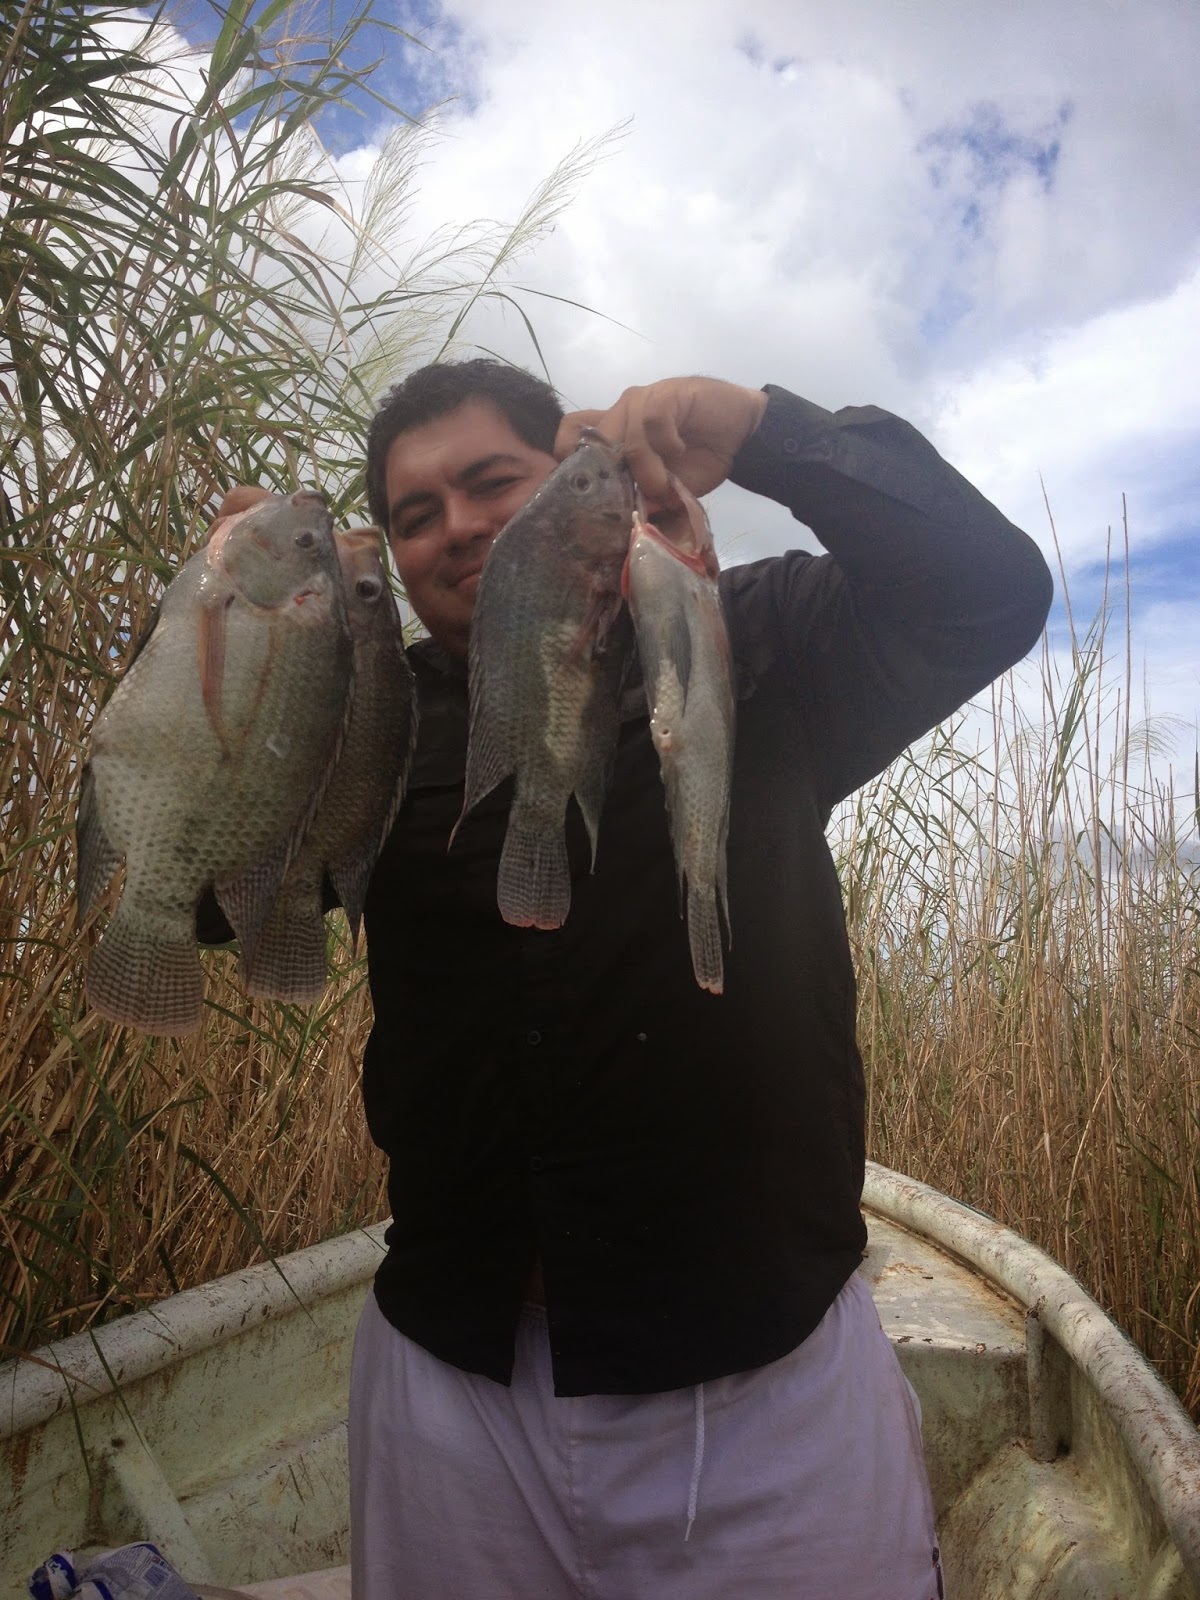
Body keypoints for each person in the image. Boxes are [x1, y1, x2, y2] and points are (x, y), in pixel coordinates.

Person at [331, 363, 1052, 1598]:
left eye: (488, 480)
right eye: (412, 513)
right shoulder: (377, 726)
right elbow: (207, 894)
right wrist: (212, 634)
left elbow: (986, 595)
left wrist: (769, 432)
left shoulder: (748, 638)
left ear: (570, 484)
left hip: (766, 1394)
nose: (453, 524)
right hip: (452, 1398)